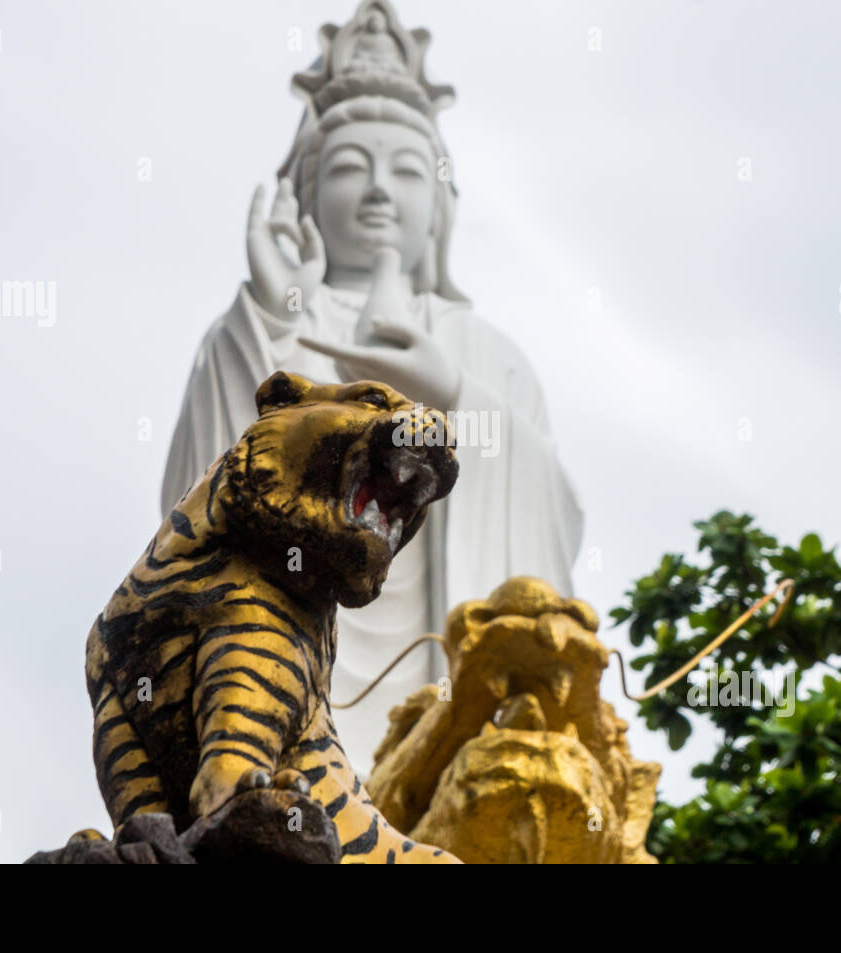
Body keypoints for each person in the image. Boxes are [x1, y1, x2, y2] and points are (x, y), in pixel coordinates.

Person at [161, 0, 583, 774]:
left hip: (441, 652)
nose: (381, 192)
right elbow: (201, 497)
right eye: (353, 167)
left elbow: (556, 505)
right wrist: (267, 309)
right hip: (284, 644)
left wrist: (455, 395)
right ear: (310, 190)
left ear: (440, 207)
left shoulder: (485, 351)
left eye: (409, 171)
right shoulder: (260, 328)